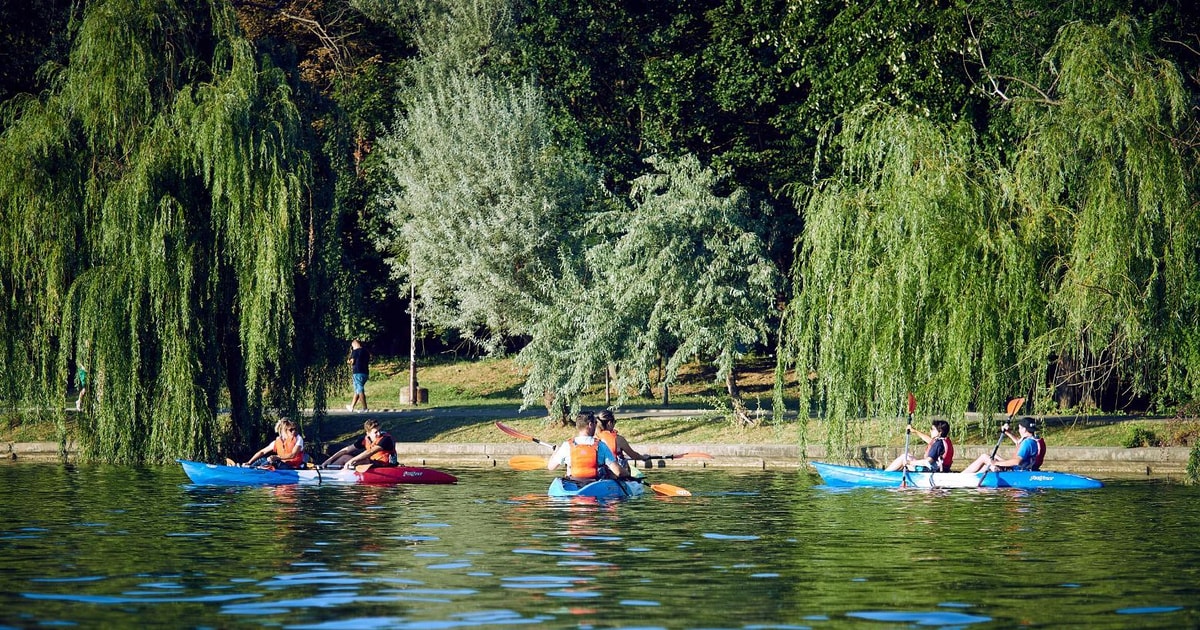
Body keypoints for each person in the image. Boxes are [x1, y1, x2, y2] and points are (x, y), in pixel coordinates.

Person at [547, 412, 623, 481]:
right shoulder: (601, 445)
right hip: (595, 485)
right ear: (590, 424)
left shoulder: (567, 446)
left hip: (573, 483)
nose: (596, 425)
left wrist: (555, 452)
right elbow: (618, 471)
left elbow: (551, 467)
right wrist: (628, 475)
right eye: (595, 423)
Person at [962, 417, 1044, 473]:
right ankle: (974, 476)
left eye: (1019, 428)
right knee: (992, 457)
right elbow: (1018, 443)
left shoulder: (1027, 443)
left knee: (984, 457)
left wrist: (996, 463)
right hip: (1023, 469)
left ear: (1024, 429)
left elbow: (1016, 461)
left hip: (1016, 471)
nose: (1019, 430)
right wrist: (1007, 432)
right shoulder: (1033, 440)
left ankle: (961, 476)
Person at [321, 419, 398, 469]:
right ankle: (328, 470)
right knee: (344, 457)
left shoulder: (386, 439)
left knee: (363, 460)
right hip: (373, 463)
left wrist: (352, 461)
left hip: (386, 466)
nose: (379, 433)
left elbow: (370, 452)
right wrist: (329, 460)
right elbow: (346, 450)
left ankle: (342, 471)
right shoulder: (365, 440)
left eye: (379, 430)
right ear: (368, 434)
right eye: (375, 432)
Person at [885, 419, 954, 472]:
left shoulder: (938, 444)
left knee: (904, 457)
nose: (930, 431)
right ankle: (891, 473)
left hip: (930, 471)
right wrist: (915, 431)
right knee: (908, 456)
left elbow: (927, 461)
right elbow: (930, 441)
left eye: (932, 429)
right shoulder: (943, 441)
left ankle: (884, 475)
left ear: (940, 432)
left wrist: (909, 462)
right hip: (942, 470)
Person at [595, 410, 649, 476]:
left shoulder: (594, 438)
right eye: (614, 422)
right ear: (609, 423)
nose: (614, 424)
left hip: (600, 473)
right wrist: (643, 457)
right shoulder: (618, 439)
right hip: (617, 473)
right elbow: (633, 455)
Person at [347, 339, 369, 412]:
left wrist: (348, 361)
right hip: (365, 373)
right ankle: (351, 407)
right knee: (357, 390)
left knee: (360, 389)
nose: (352, 347)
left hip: (357, 372)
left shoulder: (355, 351)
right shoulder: (366, 351)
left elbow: (352, 362)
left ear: (355, 344)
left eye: (352, 346)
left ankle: (365, 408)